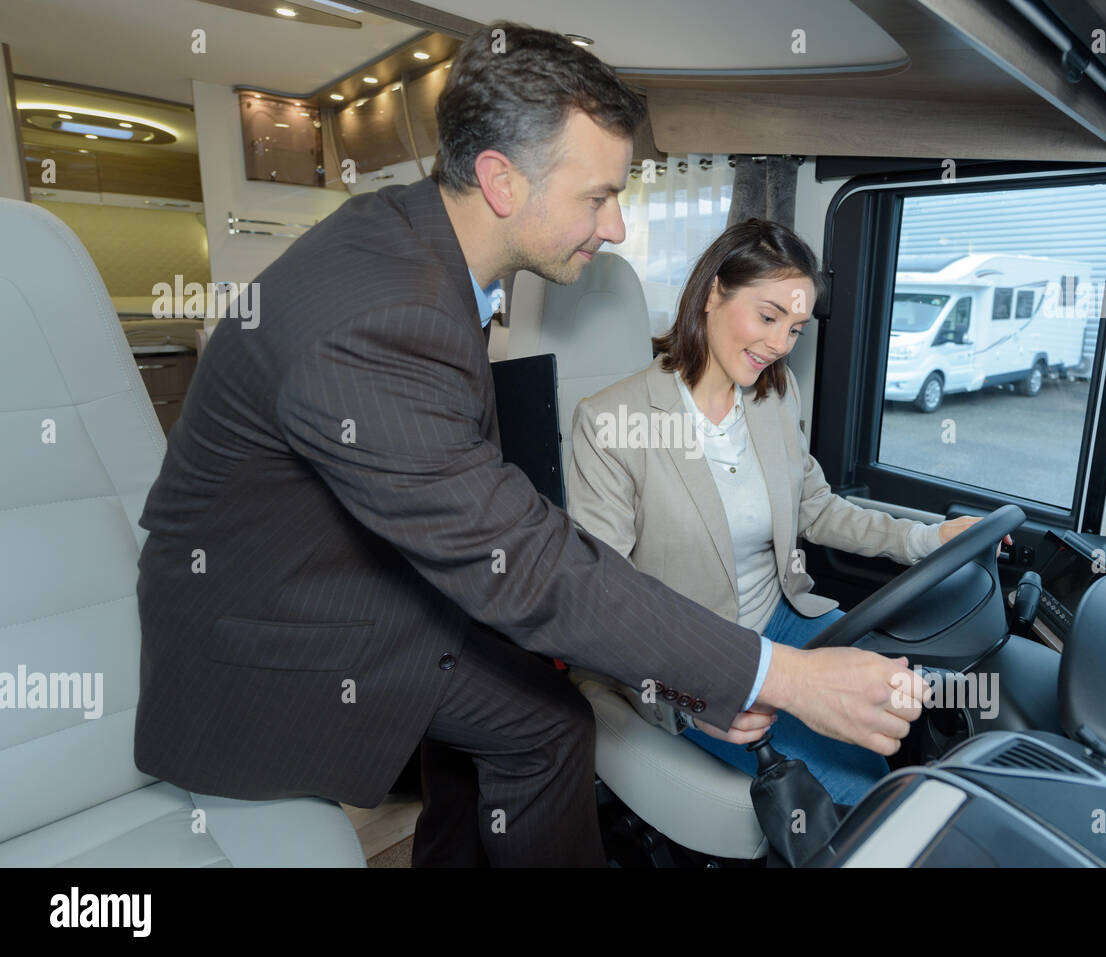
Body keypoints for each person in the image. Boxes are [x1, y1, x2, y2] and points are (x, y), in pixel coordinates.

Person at [132, 21, 928, 867]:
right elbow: (531, 562)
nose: (618, 227)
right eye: (598, 196)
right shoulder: (382, 318)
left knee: (524, 718)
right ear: (501, 181)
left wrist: (691, 680)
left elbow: (495, 540)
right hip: (268, 632)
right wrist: (784, 677)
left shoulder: (422, 244)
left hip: (359, 569)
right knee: (547, 726)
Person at [567, 219, 990, 805]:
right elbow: (603, 602)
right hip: (695, 656)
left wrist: (926, 538)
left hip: (783, 619)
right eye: (768, 318)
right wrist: (689, 700)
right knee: (850, 792)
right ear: (714, 293)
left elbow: (814, 506)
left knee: (922, 707)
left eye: (794, 329)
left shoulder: (777, 391)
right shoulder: (611, 422)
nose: (779, 345)